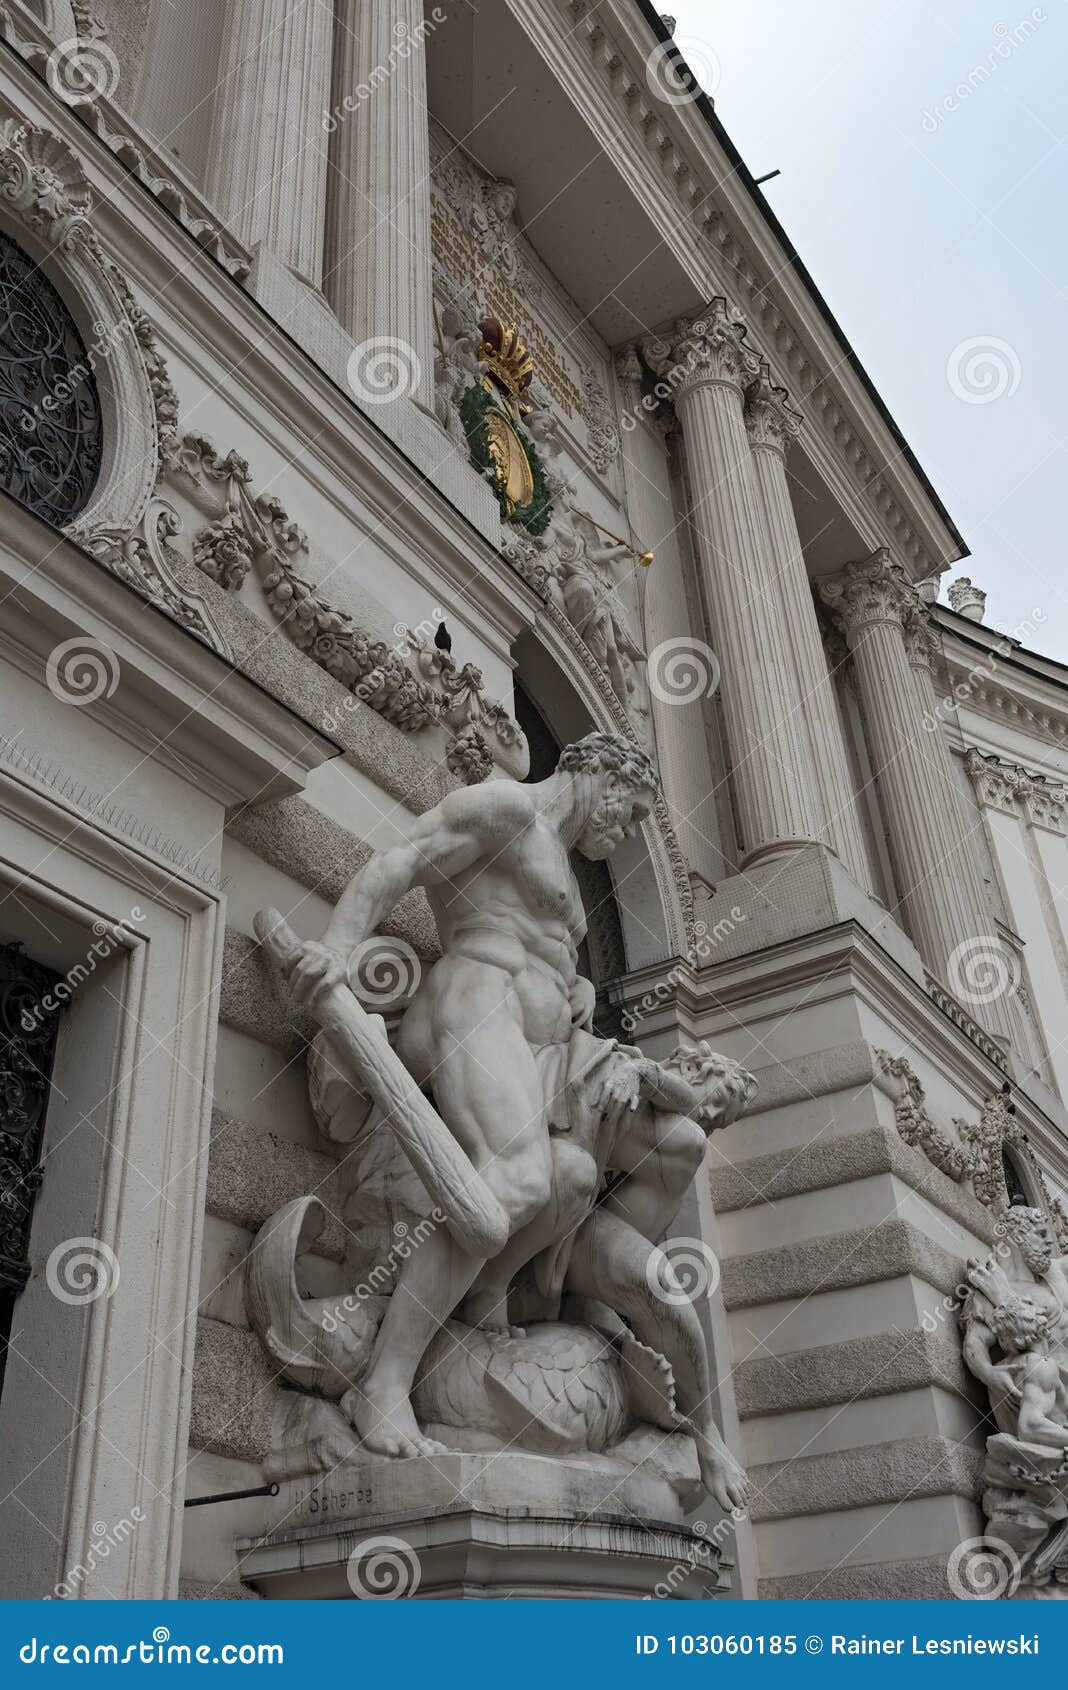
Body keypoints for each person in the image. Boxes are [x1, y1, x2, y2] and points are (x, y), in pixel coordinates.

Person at [283, 731, 656, 1460]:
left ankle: (472, 1312)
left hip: (525, 1038)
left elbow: (545, 948)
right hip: (470, 1005)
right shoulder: (508, 810)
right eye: (632, 810)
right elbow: (404, 862)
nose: (629, 829)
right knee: (514, 1183)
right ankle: (384, 1387)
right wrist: (335, 947)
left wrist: (575, 987)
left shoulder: (563, 865)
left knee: (572, 1179)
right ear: (603, 774)